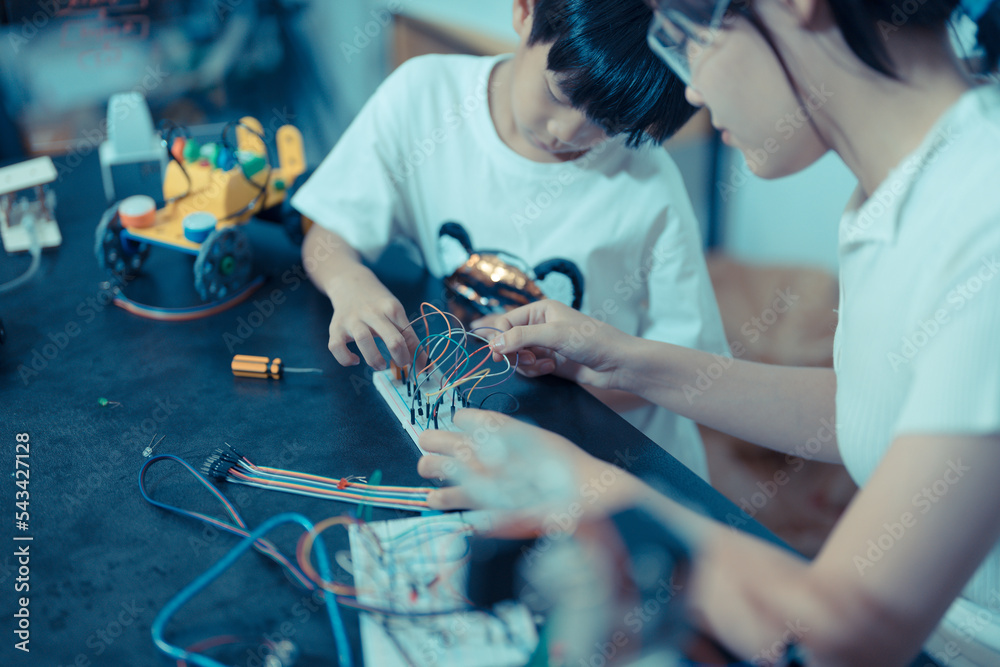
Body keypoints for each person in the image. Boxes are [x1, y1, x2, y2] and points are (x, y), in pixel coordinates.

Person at [416, 0, 1000, 664]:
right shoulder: (897, 193)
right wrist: (631, 362)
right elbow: (871, 409)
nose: (690, 86)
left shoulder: (986, 226)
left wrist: (586, 492)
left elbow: (839, 634)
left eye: (684, 36)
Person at [292, 0, 729, 478]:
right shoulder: (424, 98)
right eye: (560, 94)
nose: (567, 133)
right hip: (497, 444)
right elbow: (326, 229)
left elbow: (696, 374)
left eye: (609, 124)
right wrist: (349, 282)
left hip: (625, 463)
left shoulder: (650, 185)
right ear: (524, 12)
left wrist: (577, 367)